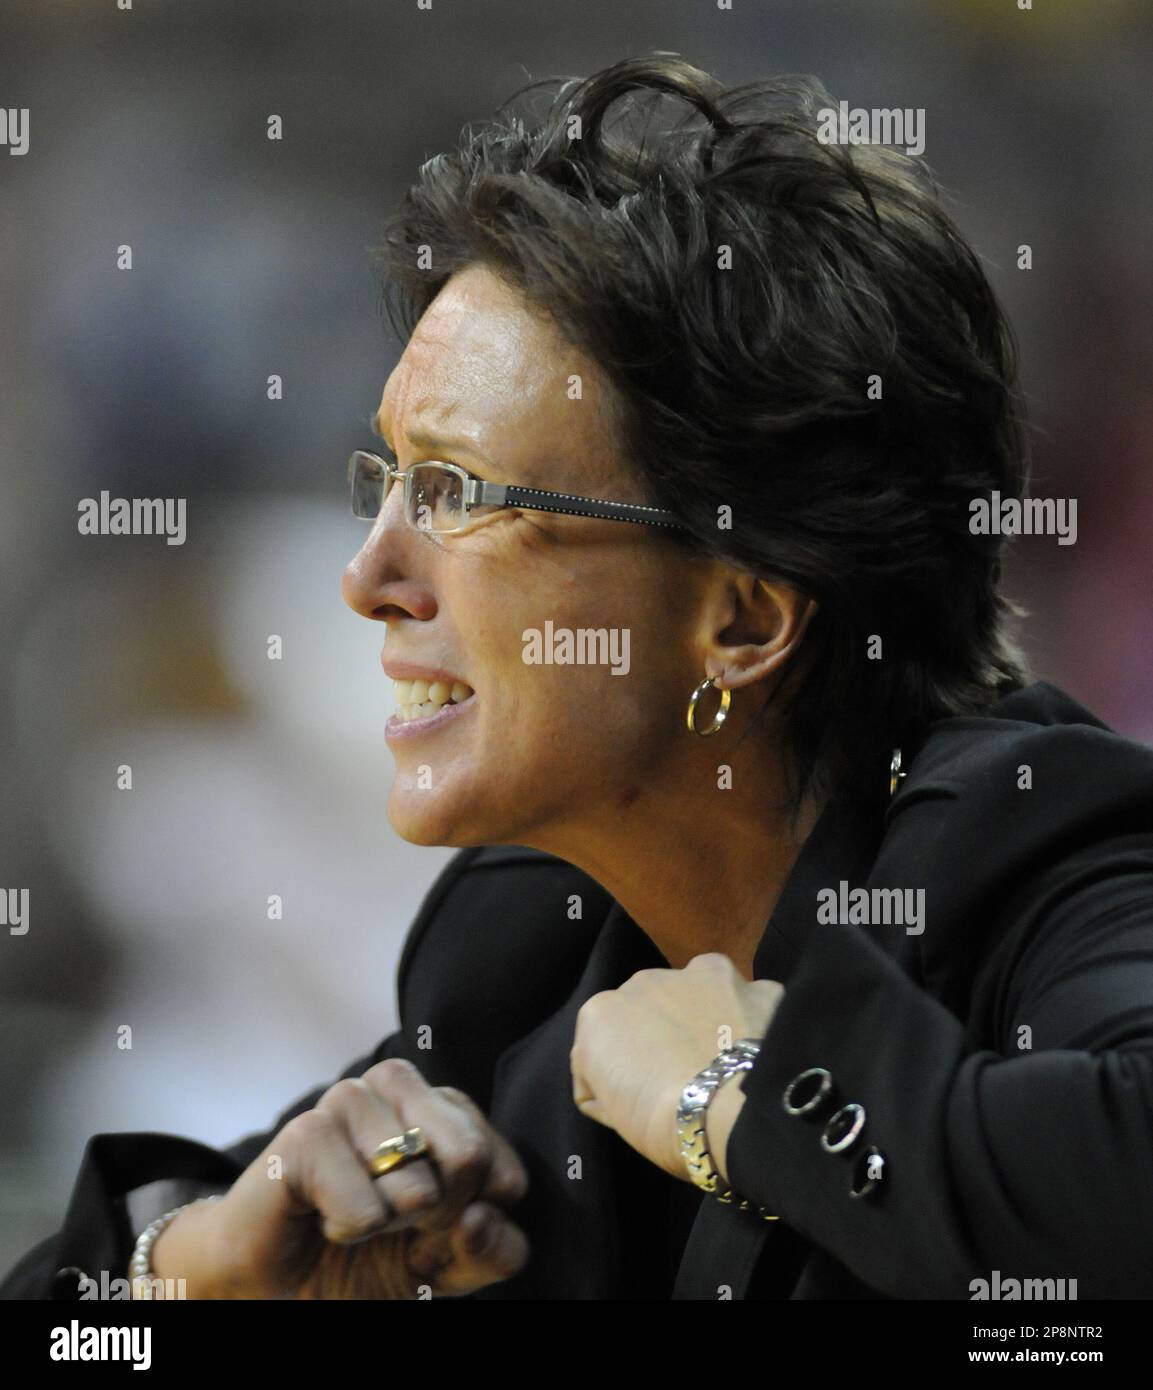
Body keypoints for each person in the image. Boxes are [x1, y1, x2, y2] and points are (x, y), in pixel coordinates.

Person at [5, 53, 1153, 1302]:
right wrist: (181, 1274)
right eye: (386, 479)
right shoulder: (527, 951)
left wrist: (743, 1098)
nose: (368, 573)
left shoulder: (1044, 851)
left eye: (457, 493)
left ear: (744, 618)